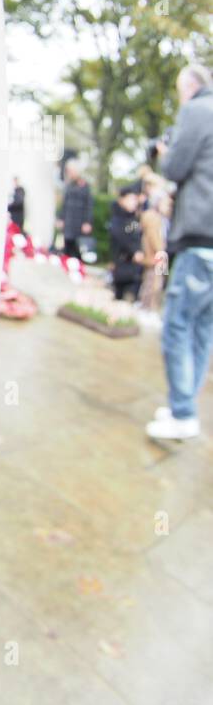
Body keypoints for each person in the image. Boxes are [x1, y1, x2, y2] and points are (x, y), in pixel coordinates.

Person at [147, 64, 213, 441]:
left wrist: (163, 150)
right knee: (202, 329)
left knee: (176, 323)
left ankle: (183, 412)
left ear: (189, 87)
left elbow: (175, 166)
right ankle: (183, 402)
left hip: (200, 239)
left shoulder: (196, 111)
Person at [138, 175, 170, 314]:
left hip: (159, 253)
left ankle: (151, 308)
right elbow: (154, 239)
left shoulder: (161, 218)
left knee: (156, 282)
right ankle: (147, 309)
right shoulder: (152, 217)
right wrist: (161, 251)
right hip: (156, 254)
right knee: (153, 283)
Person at [108, 183, 144, 302]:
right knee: (121, 297)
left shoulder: (132, 217)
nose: (134, 202)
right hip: (123, 263)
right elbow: (120, 236)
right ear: (122, 199)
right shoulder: (119, 218)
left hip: (133, 267)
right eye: (131, 199)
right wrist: (134, 251)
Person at [57, 161, 92, 260]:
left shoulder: (84, 185)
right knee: (66, 248)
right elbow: (64, 204)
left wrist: (87, 222)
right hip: (68, 222)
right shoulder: (68, 185)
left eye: (71, 171)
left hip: (79, 223)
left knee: (78, 250)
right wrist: (61, 218)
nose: (69, 173)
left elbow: (88, 205)